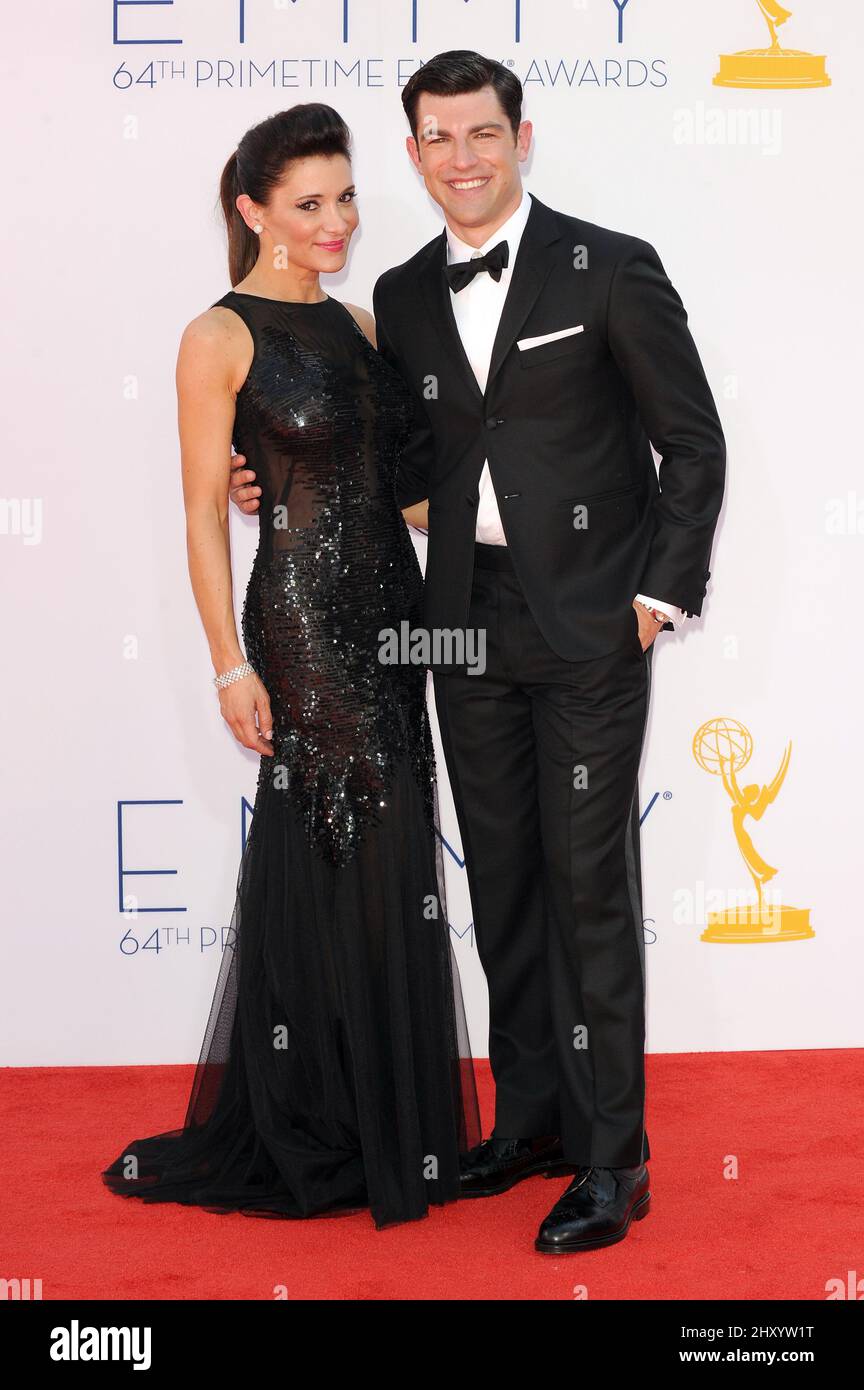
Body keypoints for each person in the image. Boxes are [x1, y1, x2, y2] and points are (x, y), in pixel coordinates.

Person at [230, 51, 727, 1253]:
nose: (461, 156)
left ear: (523, 137)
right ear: (412, 153)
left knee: (589, 889)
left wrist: (659, 594)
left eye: (482, 133)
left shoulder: (609, 264)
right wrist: (268, 478)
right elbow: (382, 457)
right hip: (462, 621)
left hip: (594, 621)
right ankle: (536, 1119)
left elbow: (692, 442)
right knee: (502, 886)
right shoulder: (396, 298)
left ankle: (617, 1160)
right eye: (437, 137)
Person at [102, 102, 480, 1230]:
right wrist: (230, 665)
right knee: (342, 845)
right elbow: (203, 515)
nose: (336, 223)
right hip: (305, 623)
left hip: (394, 619)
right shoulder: (217, 336)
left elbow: (404, 489)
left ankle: (384, 1120)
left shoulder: (365, 326)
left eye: (347, 197)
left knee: (396, 846)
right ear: (250, 209)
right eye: (308, 204)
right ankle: (321, 1116)